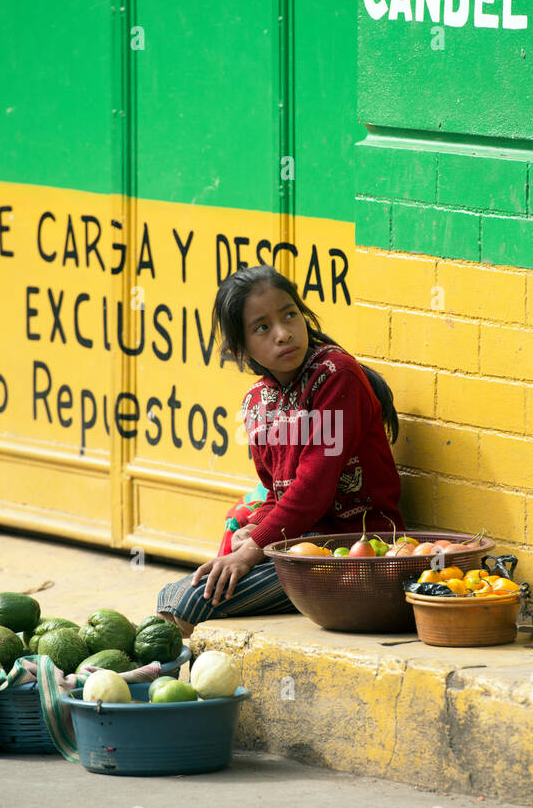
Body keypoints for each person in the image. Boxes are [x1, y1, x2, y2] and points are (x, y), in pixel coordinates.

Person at [156, 265, 404, 636]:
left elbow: (312, 490)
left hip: (354, 552)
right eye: (262, 327)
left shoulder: (337, 376)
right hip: (293, 545)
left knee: (188, 601)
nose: (283, 333)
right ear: (241, 348)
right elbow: (278, 494)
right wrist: (255, 529)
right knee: (175, 595)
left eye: (290, 315)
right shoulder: (258, 402)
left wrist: (252, 548)